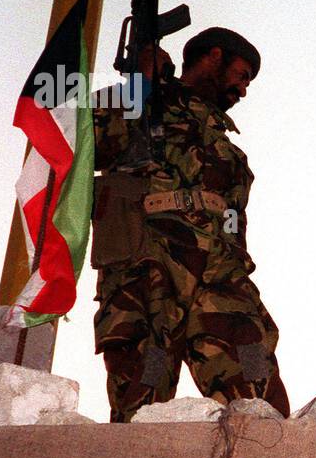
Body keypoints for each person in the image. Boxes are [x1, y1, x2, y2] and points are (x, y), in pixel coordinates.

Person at [89, 27, 290, 421]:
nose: (244, 90)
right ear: (214, 56)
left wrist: (235, 268)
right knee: (146, 378)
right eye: (242, 74)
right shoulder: (147, 104)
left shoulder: (229, 151)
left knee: (252, 367)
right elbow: (86, 140)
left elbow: (234, 220)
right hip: (150, 261)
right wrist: (139, 84)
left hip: (220, 274)